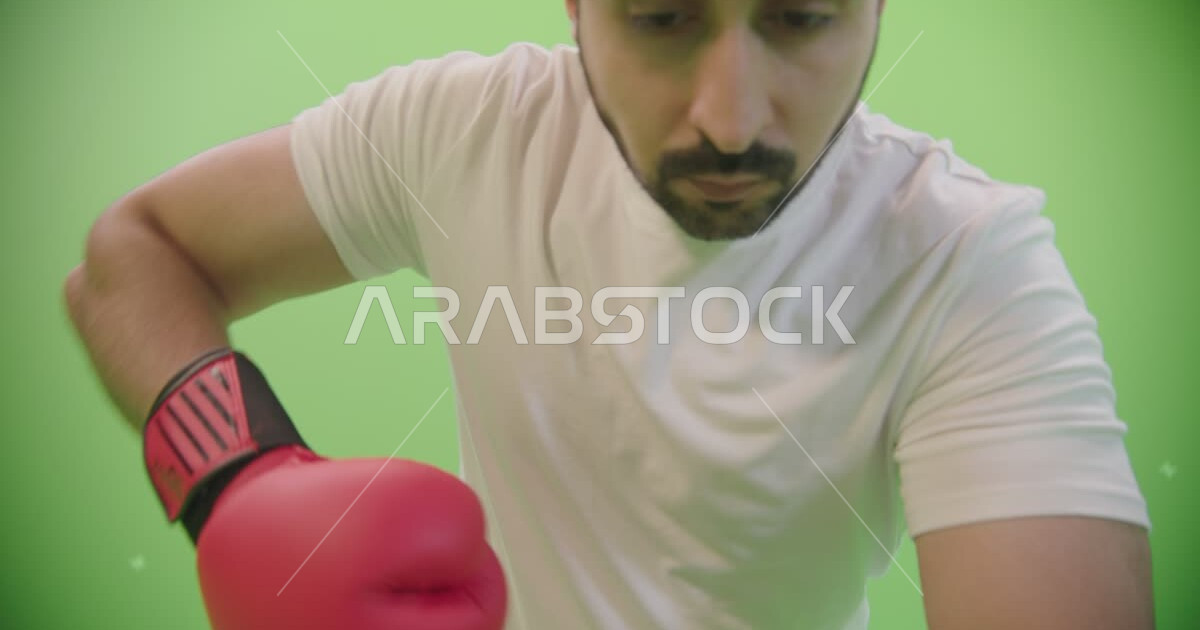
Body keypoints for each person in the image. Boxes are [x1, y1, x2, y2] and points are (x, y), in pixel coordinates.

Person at [64, 0, 1156, 628]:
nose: (730, 117)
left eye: (802, 13)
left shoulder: (968, 260)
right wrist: (236, 483)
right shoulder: (465, 131)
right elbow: (133, 255)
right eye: (663, 15)